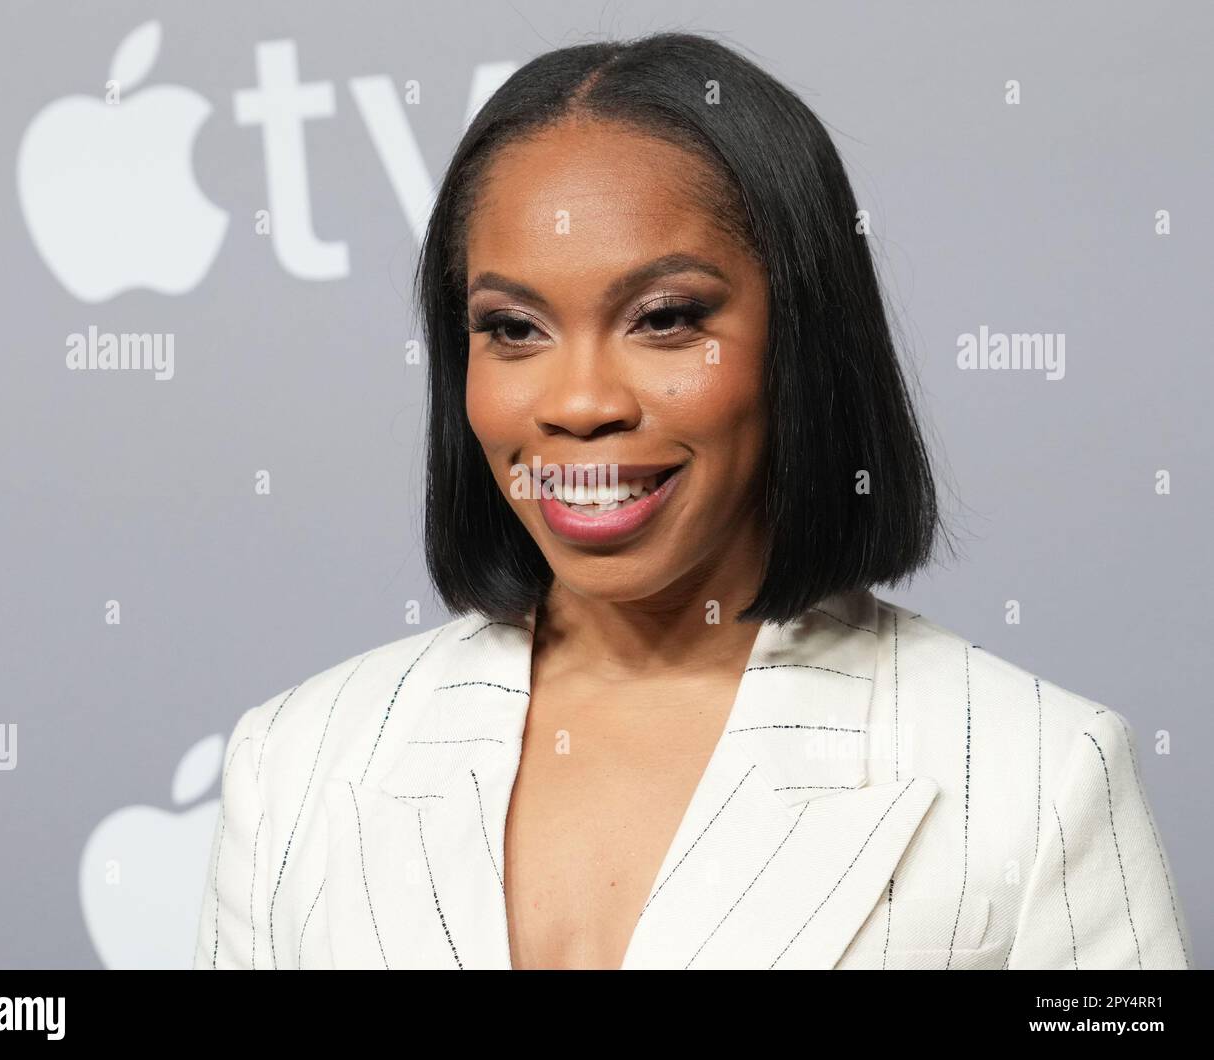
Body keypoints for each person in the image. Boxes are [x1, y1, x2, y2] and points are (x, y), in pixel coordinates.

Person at [194, 32, 1192, 970]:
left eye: (664, 319)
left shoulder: (1037, 773)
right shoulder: (293, 761)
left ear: (802, 334)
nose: (579, 403)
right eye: (513, 328)